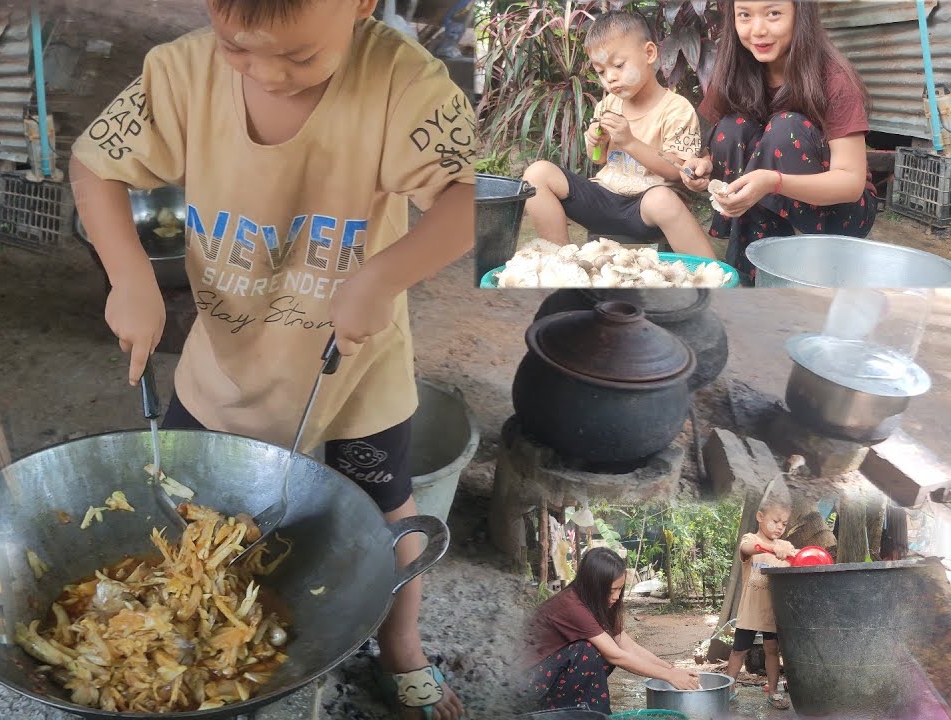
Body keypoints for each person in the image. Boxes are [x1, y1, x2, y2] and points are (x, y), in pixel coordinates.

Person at [68, 0, 474, 716]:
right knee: (189, 508)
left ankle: (402, 645)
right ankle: (199, 625)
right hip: (226, 361)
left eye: (300, 55)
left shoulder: (402, 81)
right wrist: (129, 277)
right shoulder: (180, 74)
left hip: (354, 367)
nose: (269, 74)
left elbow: (475, 197)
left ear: (362, 6)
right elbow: (93, 167)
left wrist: (382, 276)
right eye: (238, 47)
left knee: (388, 511)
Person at [682, 0, 875, 284]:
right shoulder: (734, 71)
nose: (758, 30)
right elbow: (724, 145)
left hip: (841, 214)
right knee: (733, 127)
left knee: (787, 128)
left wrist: (774, 182)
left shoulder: (834, 79)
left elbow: (851, 182)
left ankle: (809, 272)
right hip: (766, 203)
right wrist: (703, 166)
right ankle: (753, 265)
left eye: (773, 13)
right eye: (745, 15)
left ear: (800, 13)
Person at [521, 11, 715, 258]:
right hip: (604, 199)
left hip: (646, 208)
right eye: (601, 71)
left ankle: (712, 270)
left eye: (619, 65)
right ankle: (560, 260)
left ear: (649, 53)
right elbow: (599, 159)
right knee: (536, 174)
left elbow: (678, 170)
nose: (610, 78)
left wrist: (630, 142)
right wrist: (597, 142)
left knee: (662, 200)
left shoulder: (676, 109)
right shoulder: (607, 106)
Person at [522, 547, 701, 714]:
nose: (616, 596)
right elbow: (616, 655)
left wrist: (672, 670)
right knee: (588, 651)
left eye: (620, 589)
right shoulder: (571, 606)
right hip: (524, 686)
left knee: (602, 649)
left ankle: (581, 713)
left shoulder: (596, 602)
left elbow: (627, 645)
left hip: (551, 677)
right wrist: (669, 676)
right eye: (611, 590)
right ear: (594, 587)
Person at [726, 492, 797, 710]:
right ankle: (728, 690)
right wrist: (772, 548)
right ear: (760, 516)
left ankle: (773, 692)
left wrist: (793, 554)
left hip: (773, 613)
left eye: (784, 523)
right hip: (750, 610)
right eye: (775, 521)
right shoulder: (751, 539)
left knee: (772, 651)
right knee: (739, 650)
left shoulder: (785, 546)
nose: (779, 527)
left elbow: (799, 561)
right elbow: (747, 549)